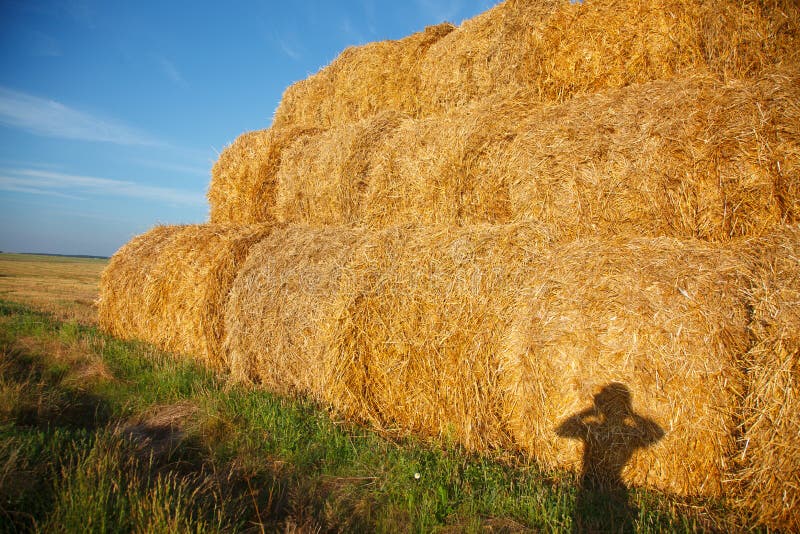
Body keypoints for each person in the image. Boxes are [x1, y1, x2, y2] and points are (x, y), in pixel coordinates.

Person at [556, 383, 664, 533]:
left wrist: (588, 412)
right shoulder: (621, 430)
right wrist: (632, 414)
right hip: (609, 487)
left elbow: (562, 430)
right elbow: (656, 433)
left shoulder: (615, 430)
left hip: (593, 485)